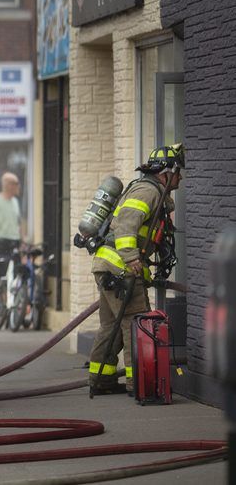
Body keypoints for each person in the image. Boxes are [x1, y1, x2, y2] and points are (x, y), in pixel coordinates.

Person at [88, 143, 184, 395]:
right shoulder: (148, 192)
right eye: (178, 172)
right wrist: (131, 259)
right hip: (121, 269)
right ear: (165, 174)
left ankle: (102, 381)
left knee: (111, 327)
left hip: (109, 265)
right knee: (136, 324)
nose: (180, 177)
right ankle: (138, 383)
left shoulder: (152, 191)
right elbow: (126, 226)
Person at [0, 172, 25, 284]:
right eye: (16, 184)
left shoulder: (15, 202)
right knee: (1, 275)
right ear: (8, 185)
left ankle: (12, 300)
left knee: (16, 275)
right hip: (1, 243)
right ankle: (0, 299)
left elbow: (18, 223)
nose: (18, 186)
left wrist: (22, 241)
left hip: (15, 242)